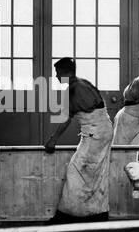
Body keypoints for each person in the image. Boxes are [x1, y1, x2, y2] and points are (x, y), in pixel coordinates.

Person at [44, 56, 112, 222]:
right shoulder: (83, 83)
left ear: (66, 72)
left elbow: (67, 117)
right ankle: (98, 214)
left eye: (58, 72)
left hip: (95, 133)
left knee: (75, 171)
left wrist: (53, 139)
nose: (57, 76)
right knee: (96, 172)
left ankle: (66, 215)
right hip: (101, 130)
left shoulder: (75, 88)